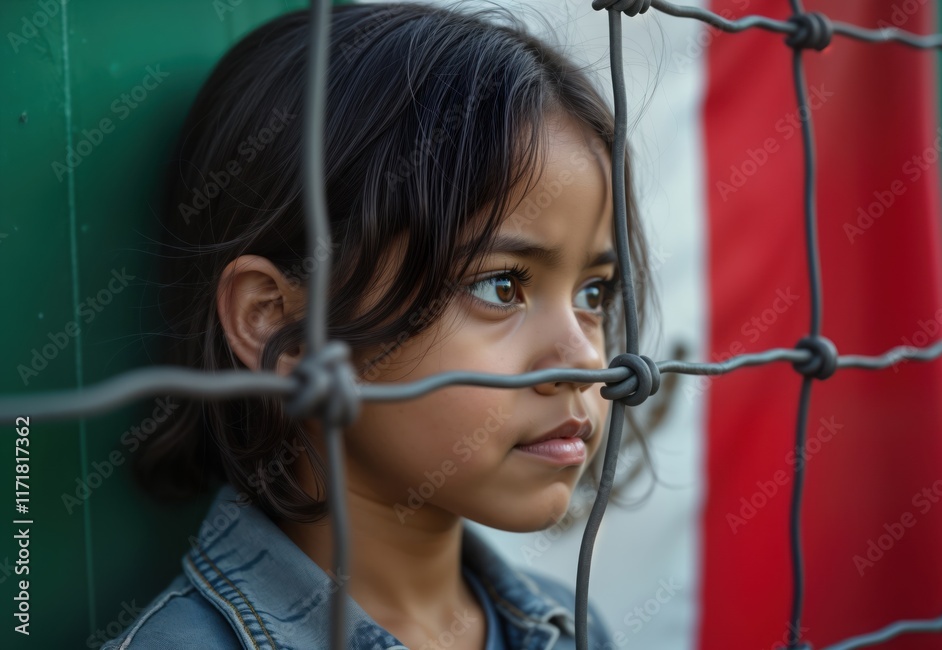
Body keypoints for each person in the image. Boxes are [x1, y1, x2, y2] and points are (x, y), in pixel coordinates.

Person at [104, 2, 653, 648]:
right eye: (500, 285)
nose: (585, 360)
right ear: (274, 319)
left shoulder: (572, 627)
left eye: (595, 291)